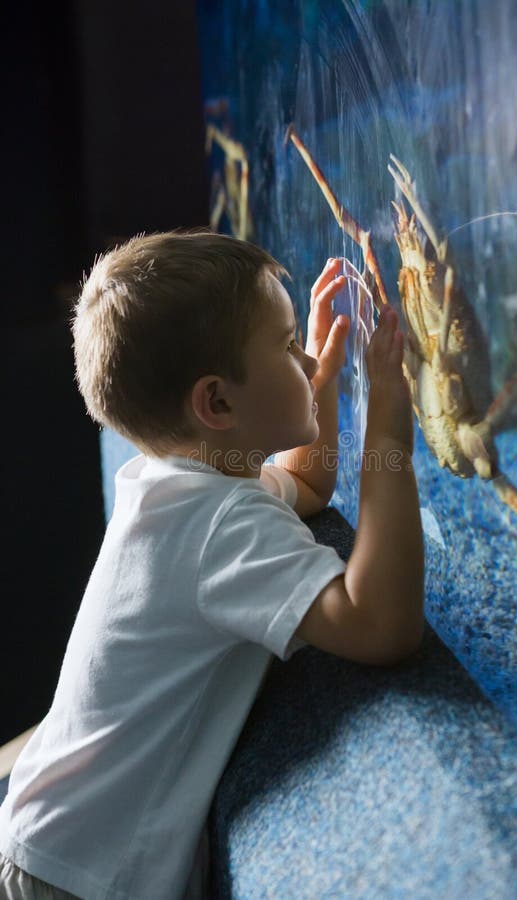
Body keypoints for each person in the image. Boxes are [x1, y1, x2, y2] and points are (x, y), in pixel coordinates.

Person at [0, 231, 424, 899]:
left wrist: (323, 376)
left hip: (52, 827)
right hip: (84, 873)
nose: (304, 356)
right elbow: (380, 626)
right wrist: (390, 435)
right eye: (287, 346)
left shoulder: (185, 481)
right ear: (218, 404)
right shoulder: (219, 525)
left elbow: (305, 489)